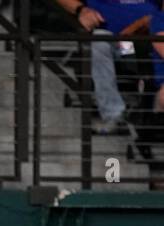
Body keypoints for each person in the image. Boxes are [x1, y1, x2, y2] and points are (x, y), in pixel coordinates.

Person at [53, 0, 164, 131]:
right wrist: (81, 10)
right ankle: (114, 114)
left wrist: (148, 22)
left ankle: (153, 116)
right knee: (98, 42)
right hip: (115, 40)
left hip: (148, 35)